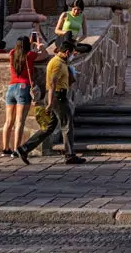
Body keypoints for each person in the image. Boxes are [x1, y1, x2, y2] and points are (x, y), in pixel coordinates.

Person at [16, 35, 86, 166]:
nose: (72, 55)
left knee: (48, 127)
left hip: (56, 96)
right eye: (71, 53)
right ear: (66, 52)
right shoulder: (57, 63)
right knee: (67, 125)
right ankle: (70, 155)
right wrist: (49, 102)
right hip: (57, 97)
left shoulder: (60, 62)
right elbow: (53, 83)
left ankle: (24, 148)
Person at [1, 35, 47, 157]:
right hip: (23, 87)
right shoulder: (30, 55)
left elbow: (20, 50)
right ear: (27, 46)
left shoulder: (12, 54)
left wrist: (28, 44)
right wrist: (39, 46)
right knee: (19, 121)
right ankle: (16, 150)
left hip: (11, 88)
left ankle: (5, 149)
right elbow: (44, 55)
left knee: (8, 121)